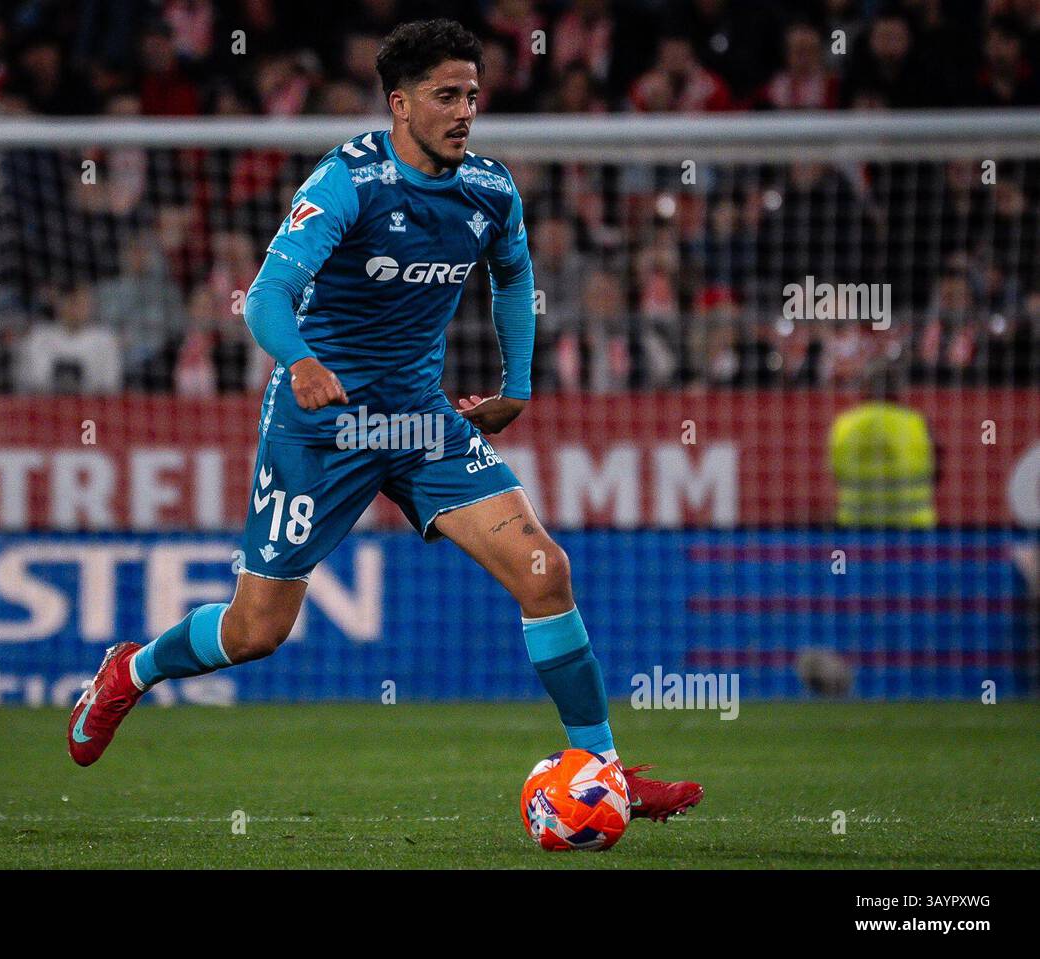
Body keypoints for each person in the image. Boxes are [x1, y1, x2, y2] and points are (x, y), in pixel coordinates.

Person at [66, 18, 703, 823]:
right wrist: (300, 360)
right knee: (257, 629)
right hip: (321, 424)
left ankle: (604, 769)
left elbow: (512, 275)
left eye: (472, 94)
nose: (464, 110)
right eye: (445, 95)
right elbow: (264, 296)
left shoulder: (489, 189)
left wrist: (516, 382)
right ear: (399, 104)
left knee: (545, 570)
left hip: (419, 419)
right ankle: (133, 668)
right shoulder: (346, 182)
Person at [829, 361, 937, 527]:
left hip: (857, 525)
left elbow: (835, 472)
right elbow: (936, 470)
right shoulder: (918, 423)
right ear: (898, 390)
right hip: (912, 526)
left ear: (865, 389)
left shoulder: (844, 424)